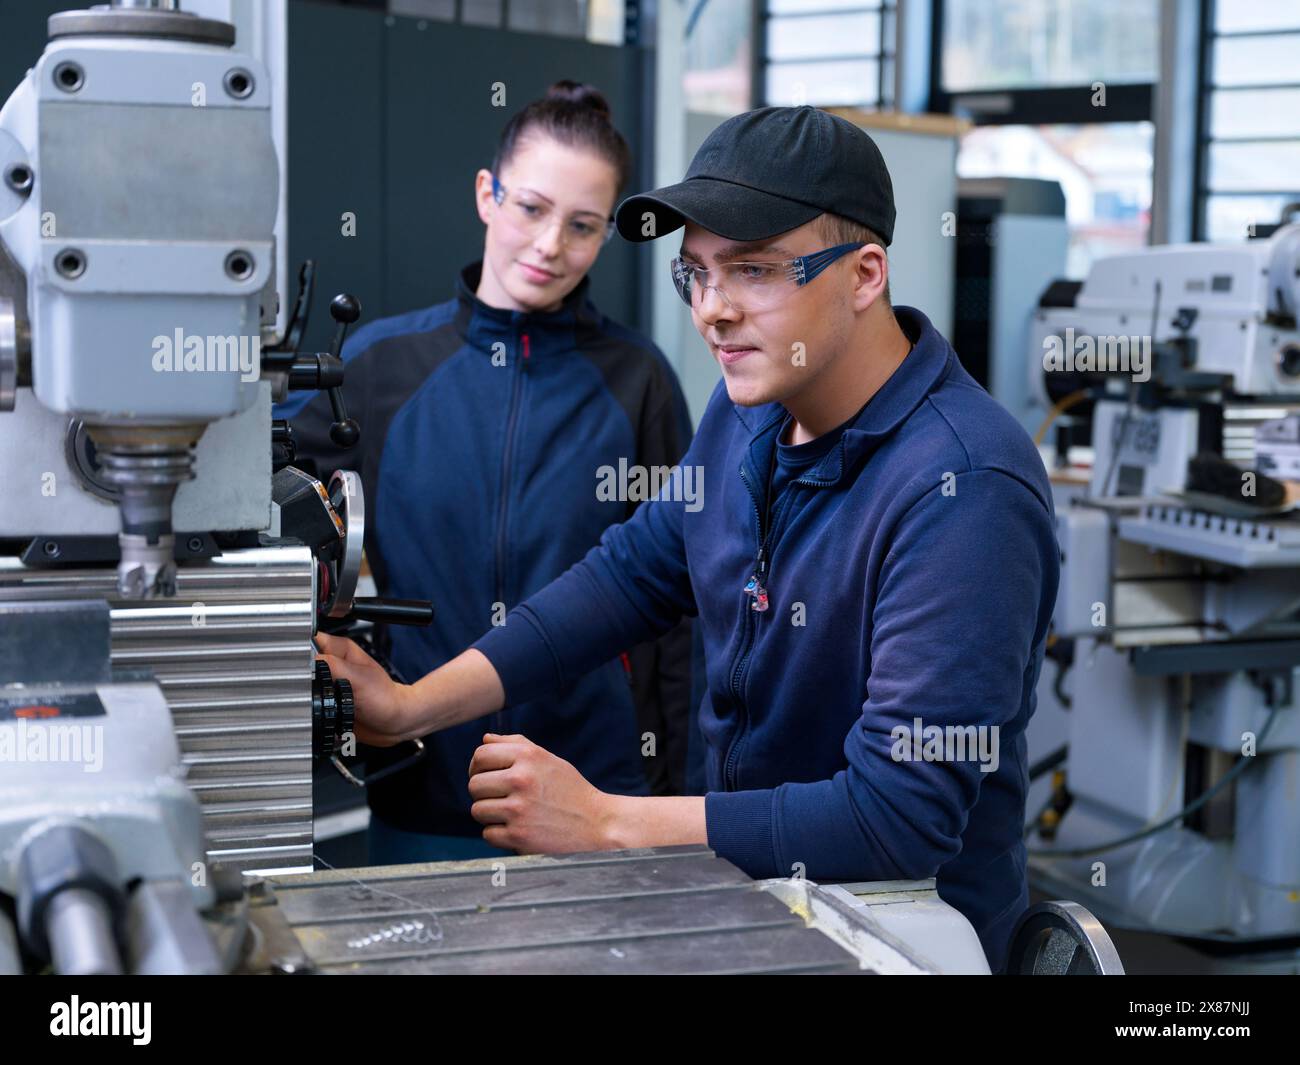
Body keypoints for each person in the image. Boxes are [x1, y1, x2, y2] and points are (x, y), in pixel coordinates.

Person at [317, 105, 1060, 971]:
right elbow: (630, 576)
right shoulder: (749, 415)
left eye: (752, 271)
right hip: (761, 911)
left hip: (907, 942)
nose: (713, 311)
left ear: (863, 275)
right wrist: (413, 704)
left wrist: (609, 822)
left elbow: (894, 816)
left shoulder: (963, 489)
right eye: (696, 274)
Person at [284, 82, 696, 863]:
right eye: (531, 209)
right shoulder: (378, 366)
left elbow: (682, 620)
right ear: (487, 193)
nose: (548, 246)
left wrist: (675, 798)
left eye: (582, 226)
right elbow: (254, 506)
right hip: (422, 785)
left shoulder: (638, 382)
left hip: (594, 797)